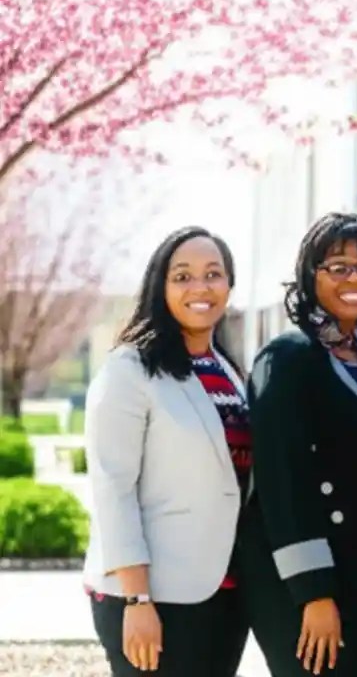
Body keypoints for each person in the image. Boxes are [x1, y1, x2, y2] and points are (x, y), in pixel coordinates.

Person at [240, 213, 357, 676]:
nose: (354, 278)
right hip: (315, 593)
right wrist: (313, 593)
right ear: (309, 275)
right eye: (337, 266)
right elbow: (283, 482)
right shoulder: (287, 358)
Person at [82, 226, 250, 676]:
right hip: (153, 595)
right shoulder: (130, 369)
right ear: (160, 285)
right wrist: (137, 598)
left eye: (214, 274)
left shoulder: (229, 372)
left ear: (229, 285)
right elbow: (113, 489)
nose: (201, 287)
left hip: (224, 590)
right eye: (183, 276)